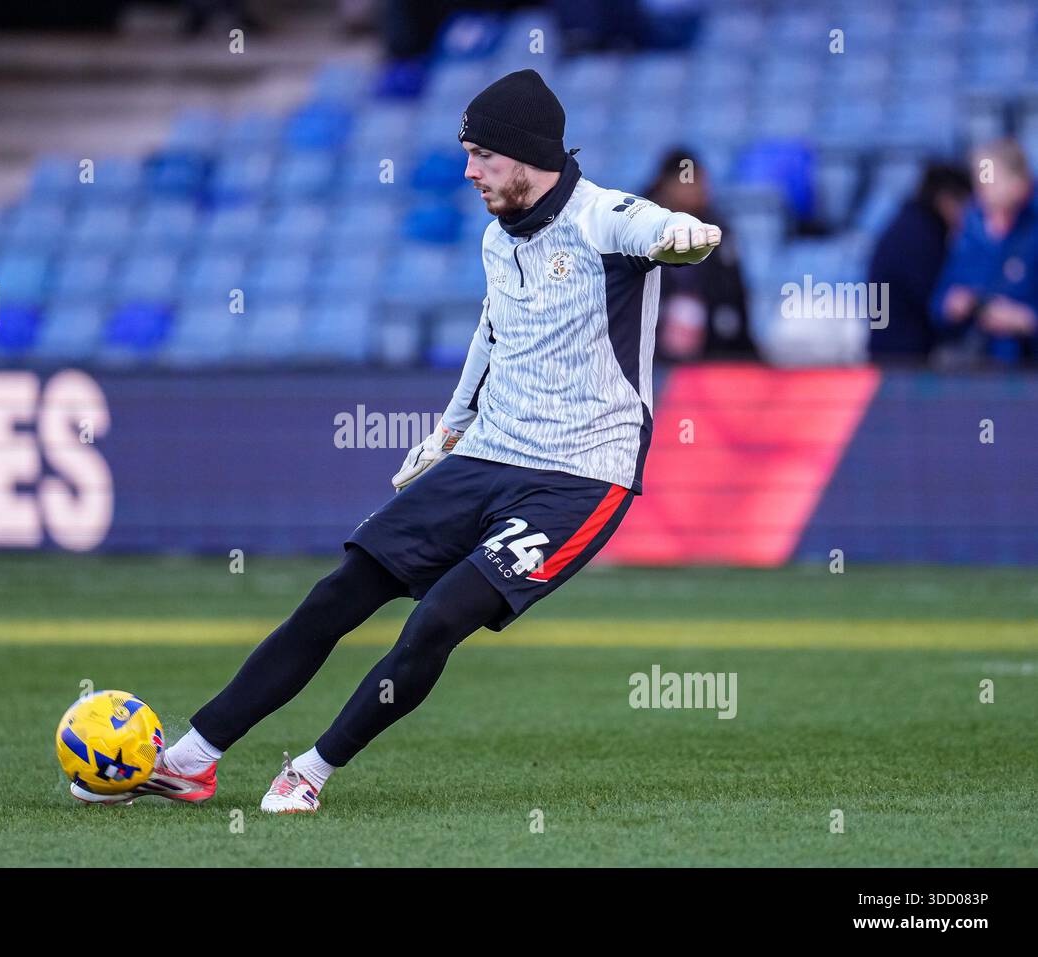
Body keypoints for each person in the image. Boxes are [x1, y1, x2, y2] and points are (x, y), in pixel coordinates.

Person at [71, 70, 721, 813]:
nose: (469, 171)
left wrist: (680, 238)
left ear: (525, 154)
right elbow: (490, 333)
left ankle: (311, 770)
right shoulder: (496, 237)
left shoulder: (604, 215)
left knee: (438, 617)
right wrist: (449, 428)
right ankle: (191, 759)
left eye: (481, 154)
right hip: (488, 453)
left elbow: (654, 230)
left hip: (580, 477)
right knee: (335, 594)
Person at [641, 147, 755, 362]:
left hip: (712, 352)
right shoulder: (635, 228)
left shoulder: (717, 230)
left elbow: (735, 295)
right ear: (667, 184)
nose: (700, 189)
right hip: (648, 350)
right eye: (690, 181)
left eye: (701, 181)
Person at [931, 139, 1038, 366]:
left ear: (1019, 182)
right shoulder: (969, 232)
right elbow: (939, 302)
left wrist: (1024, 320)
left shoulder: (1032, 230)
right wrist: (954, 304)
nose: (983, 187)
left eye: (990, 177)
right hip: (977, 366)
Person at [867, 163, 972, 362]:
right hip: (903, 356)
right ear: (946, 200)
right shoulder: (921, 236)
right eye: (964, 204)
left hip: (889, 347)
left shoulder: (908, 225)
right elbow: (934, 300)